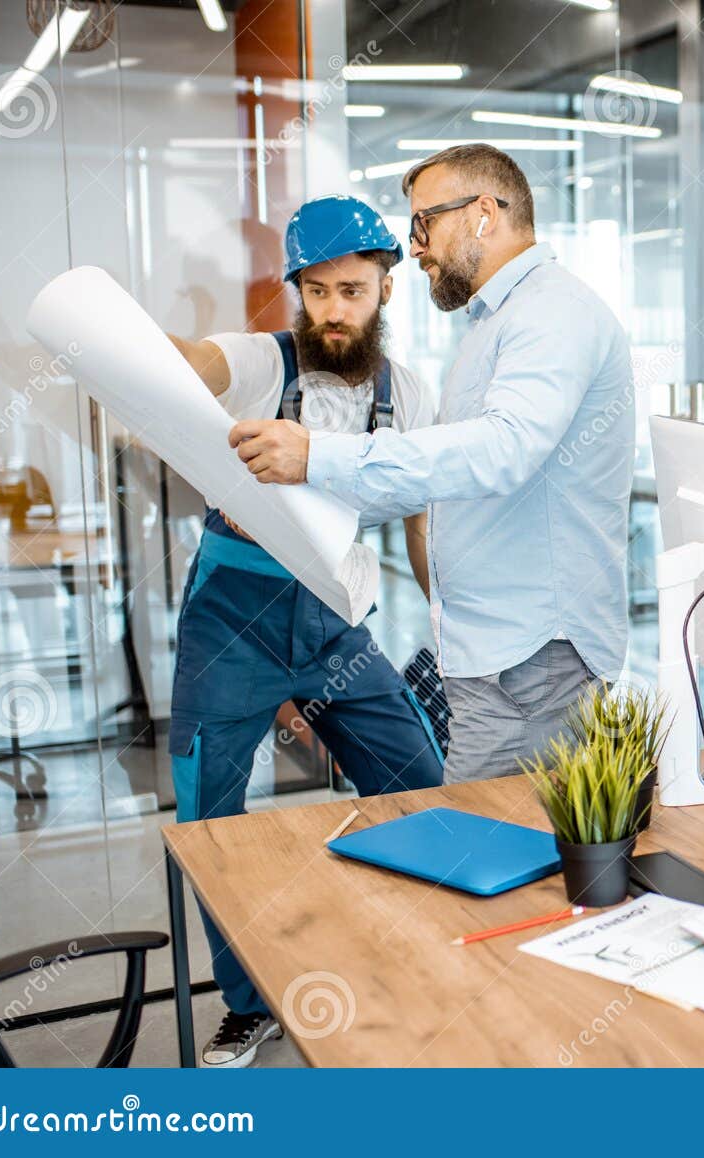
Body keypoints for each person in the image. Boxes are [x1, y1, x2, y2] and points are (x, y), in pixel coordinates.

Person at [228, 145, 634, 785]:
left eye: (423, 223)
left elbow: (503, 451)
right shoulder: (494, 326)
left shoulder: (552, 315)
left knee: (488, 856)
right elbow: (454, 484)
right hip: (504, 657)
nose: (414, 247)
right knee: (506, 856)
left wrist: (318, 455)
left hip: (531, 657)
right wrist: (289, 500)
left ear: (481, 214)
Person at [165, 195, 445, 1067]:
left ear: (386, 288)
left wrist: (442, 622)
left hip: (332, 623)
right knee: (210, 815)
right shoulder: (260, 361)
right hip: (231, 619)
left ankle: (414, 954)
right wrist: (137, 352)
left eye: (351, 291)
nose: (331, 310)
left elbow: (418, 520)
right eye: (315, 291)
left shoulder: (411, 395)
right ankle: (246, 1003)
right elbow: (187, 363)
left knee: (421, 781)